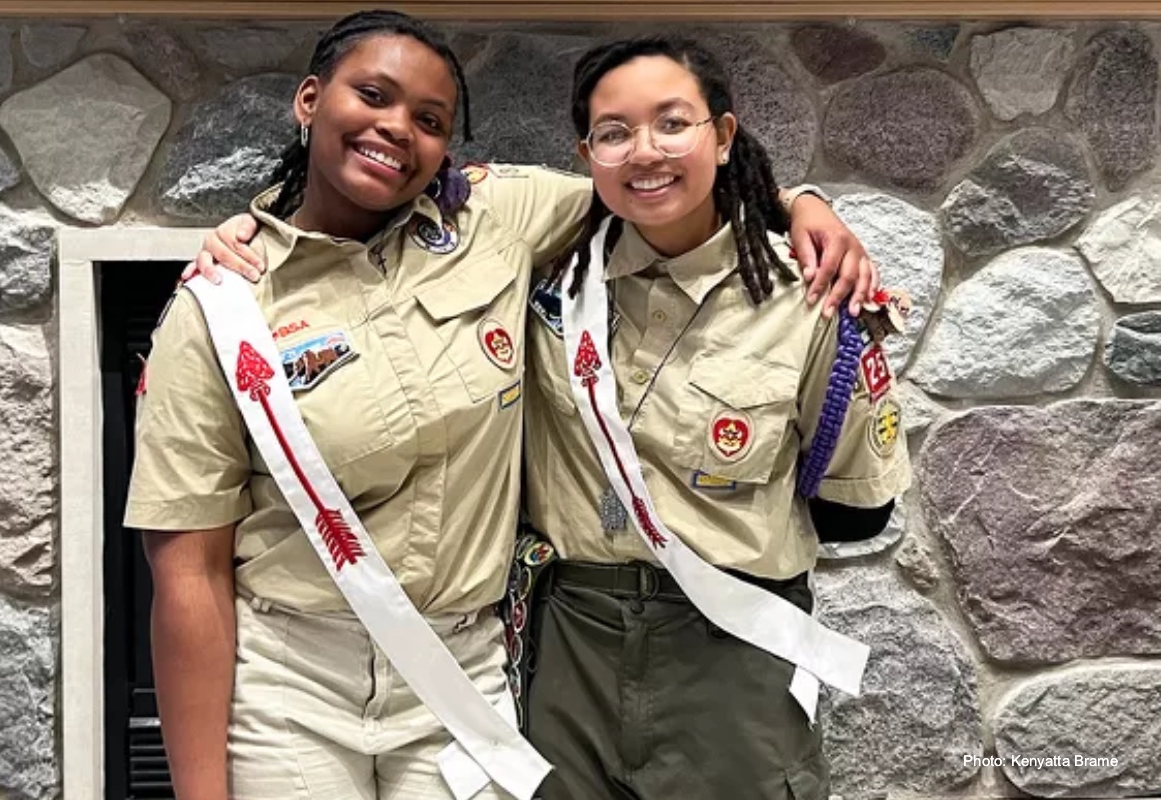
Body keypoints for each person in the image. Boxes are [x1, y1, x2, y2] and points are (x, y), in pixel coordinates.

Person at [165, 13, 880, 800]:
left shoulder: (495, 221)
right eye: (372, 94)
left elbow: (663, 187)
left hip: (477, 670)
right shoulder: (227, 298)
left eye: (430, 120)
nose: (397, 129)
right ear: (309, 99)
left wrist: (804, 202)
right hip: (303, 677)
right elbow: (186, 570)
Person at [514, 36, 912, 800]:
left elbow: (859, 513)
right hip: (567, 644)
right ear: (587, 153)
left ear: (724, 137)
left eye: (673, 123)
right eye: (614, 132)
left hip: (731, 648)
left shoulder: (812, 296)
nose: (645, 151)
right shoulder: (551, 275)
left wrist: (800, 200)